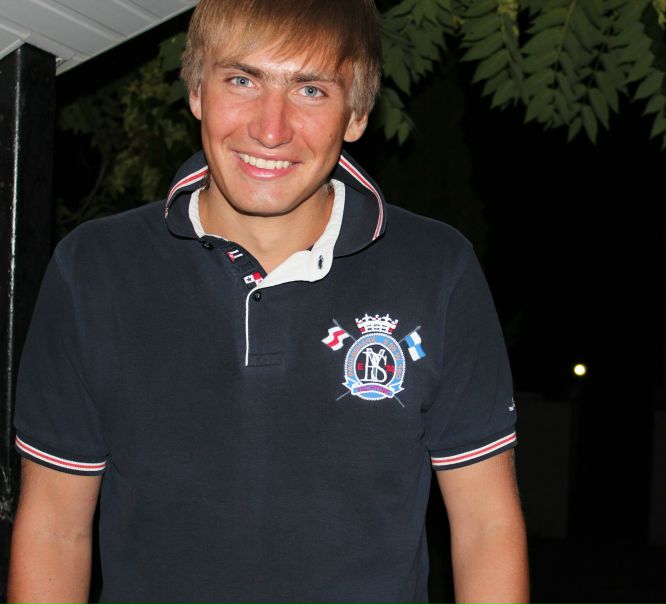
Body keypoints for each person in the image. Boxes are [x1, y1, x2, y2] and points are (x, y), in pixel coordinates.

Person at [8, 0, 529, 602]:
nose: (271, 128)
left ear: (357, 114)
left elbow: (486, 528)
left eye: (310, 90)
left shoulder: (437, 269)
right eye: (242, 80)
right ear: (196, 90)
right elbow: (54, 528)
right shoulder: (94, 269)